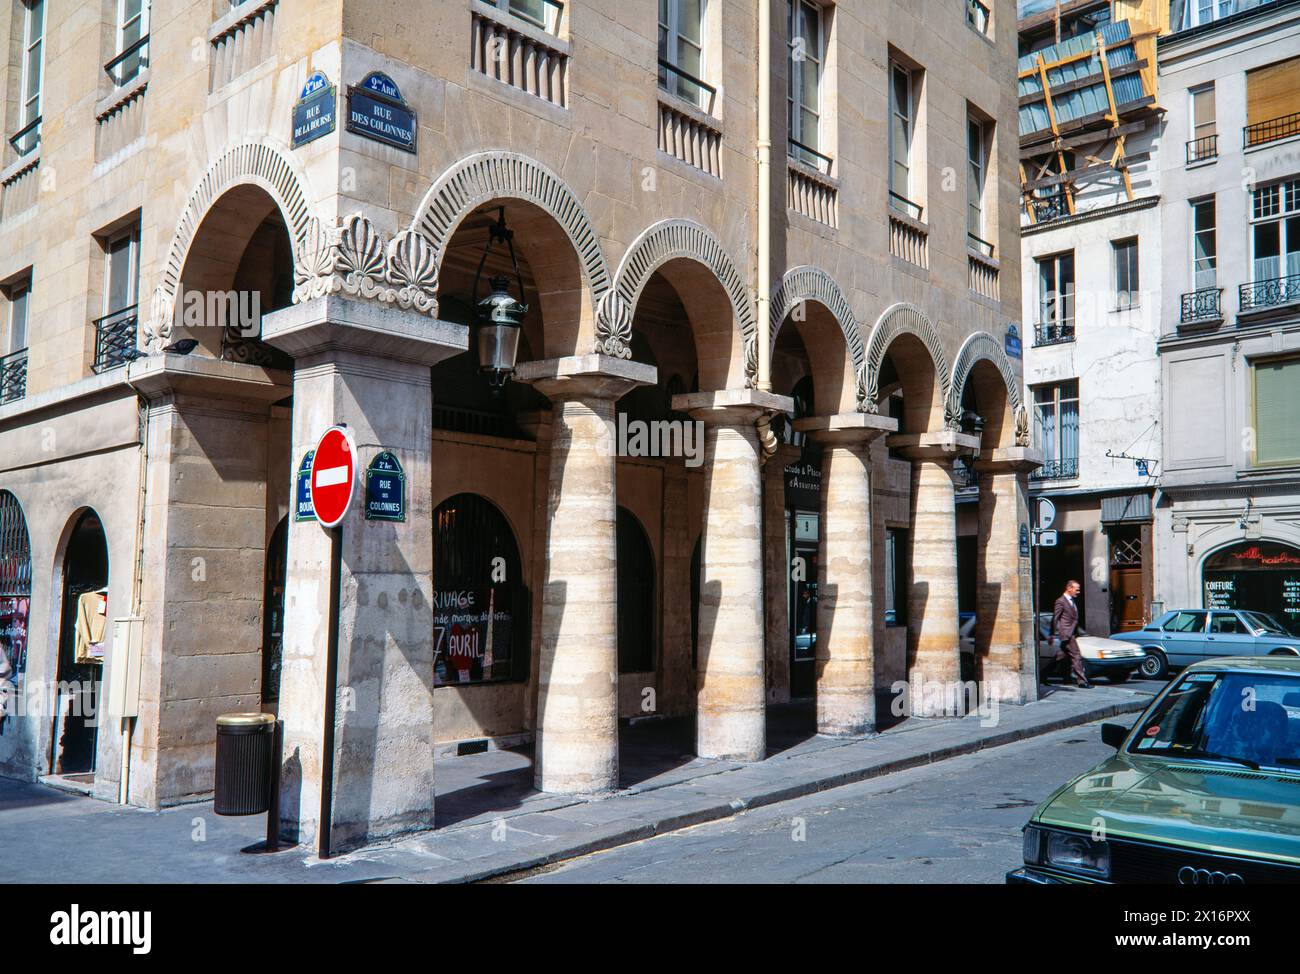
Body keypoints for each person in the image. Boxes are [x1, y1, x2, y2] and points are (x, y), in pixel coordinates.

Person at [1052, 580, 1091, 688]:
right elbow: (1056, 617)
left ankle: (1044, 675)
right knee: (1077, 655)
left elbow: (1074, 619)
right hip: (1067, 633)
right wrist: (1052, 634)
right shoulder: (1061, 601)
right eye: (1076, 589)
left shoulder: (1071, 600)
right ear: (1069, 588)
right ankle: (1082, 681)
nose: (1078, 592)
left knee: (1060, 657)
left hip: (1071, 633)